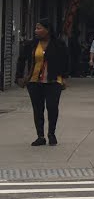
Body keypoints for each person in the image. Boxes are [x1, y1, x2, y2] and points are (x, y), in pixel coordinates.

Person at [14, 18, 70, 146]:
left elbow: (65, 61)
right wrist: (19, 77)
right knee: (38, 109)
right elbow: (21, 60)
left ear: (47, 30)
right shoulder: (31, 44)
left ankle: (51, 134)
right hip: (34, 81)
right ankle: (40, 136)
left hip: (53, 81)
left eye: (39, 28)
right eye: (36, 28)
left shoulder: (59, 44)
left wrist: (64, 77)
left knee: (52, 107)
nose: (36, 31)